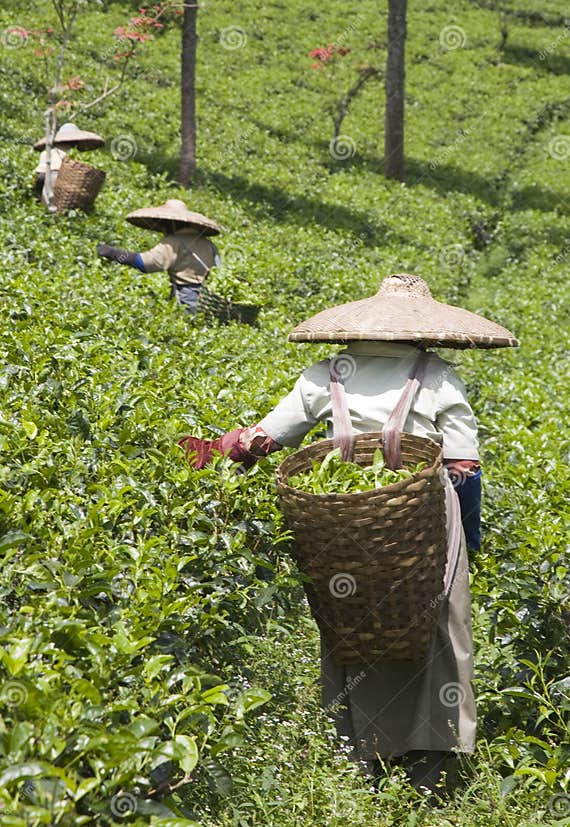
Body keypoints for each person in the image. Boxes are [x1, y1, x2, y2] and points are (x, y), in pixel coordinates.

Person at [178, 273, 518, 791]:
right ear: (420, 330)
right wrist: (468, 537)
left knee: (354, 618)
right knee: (438, 621)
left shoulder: (327, 373)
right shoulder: (439, 376)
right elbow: (464, 468)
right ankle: (433, 754)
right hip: (421, 514)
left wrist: (214, 450)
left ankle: (359, 747)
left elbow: (264, 440)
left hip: (342, 517)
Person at [96, 199, 221, 313]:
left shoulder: (174, 241)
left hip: (187, 295)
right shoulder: (207, 243)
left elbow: (145, 263)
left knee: (187, 326)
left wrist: (112, 252)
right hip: (209, 297)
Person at [33, 122, 105, 203]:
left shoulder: (46, 151)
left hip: (42, 179)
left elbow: (40, 174)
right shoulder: (70, 152)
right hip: (58, 180)